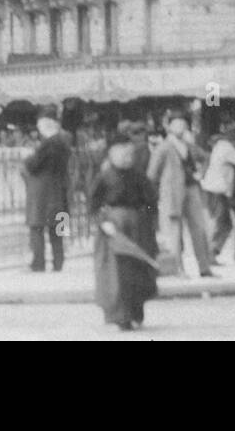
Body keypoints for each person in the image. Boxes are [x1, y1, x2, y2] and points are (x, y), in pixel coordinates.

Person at [89, 130, 160, 331]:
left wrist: (146, 220)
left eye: (129, 153)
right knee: (115, 274)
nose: (126, 157)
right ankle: (119, 317)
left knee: (137, 272)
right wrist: (103, 221)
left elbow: (151, 202)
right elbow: (93, 205)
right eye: (121, 153)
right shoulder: (104, 176)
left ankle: (136, 312)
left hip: (138, 230)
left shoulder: (139, 176)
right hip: (113, 230)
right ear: (111, 153)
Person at [147, 109, 214, 277]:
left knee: (199, 228)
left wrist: (201, 174)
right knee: (174, 232)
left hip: (191, 189)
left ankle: (204, 267)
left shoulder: (189, 146)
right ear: (169, 127)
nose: (180, 127)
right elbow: (151, 174)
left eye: (183, 124)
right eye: (176, 124)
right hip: (172, 193)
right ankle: (177, 269)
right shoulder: (163, 148)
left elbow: (205, 157)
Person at [23, 105, 72, 272]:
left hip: (43, 193)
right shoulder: (64, 141)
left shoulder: (48, 144)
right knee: (58, 227)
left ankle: (38, 262)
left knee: (36, 226)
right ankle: (59, 261)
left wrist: (27, 159)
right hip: (60, 190)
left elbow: (33, 165)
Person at [201, 125, 235, 264]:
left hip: (217, 189)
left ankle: (213, 252)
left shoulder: (222, 146)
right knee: (222, 222)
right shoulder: (226, 148)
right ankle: (212, 252)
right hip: (219, 190)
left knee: (225, 223)